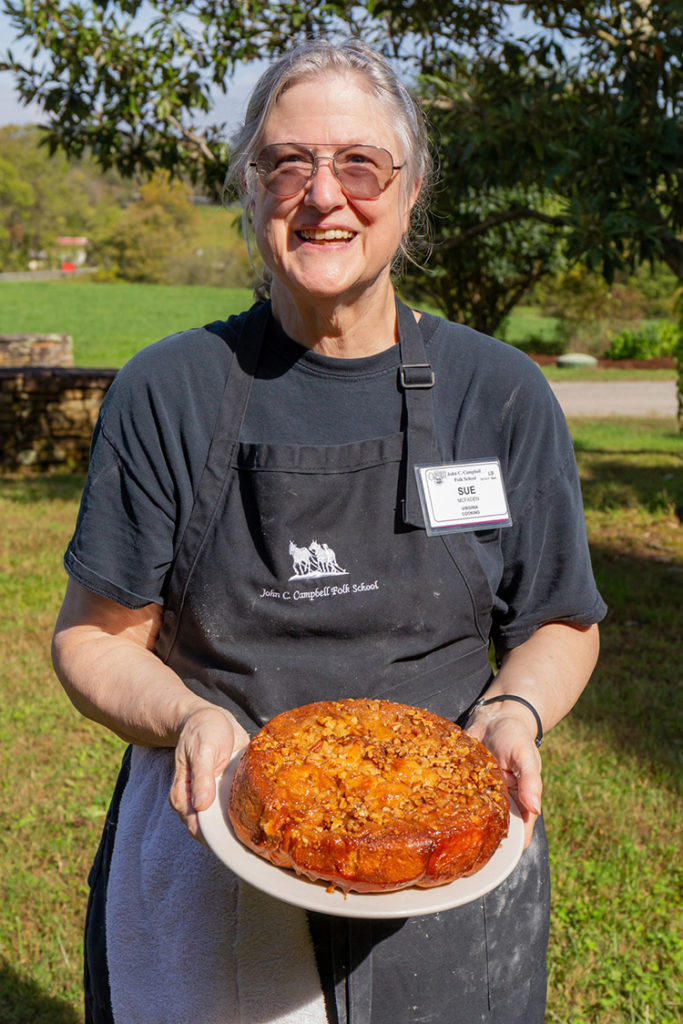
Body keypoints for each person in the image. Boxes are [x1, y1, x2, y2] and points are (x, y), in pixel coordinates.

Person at [52, 37, 606, 1024]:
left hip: (451, 863)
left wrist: (512, 713)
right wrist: (188, 718)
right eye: (286, 162)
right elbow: (93, 636)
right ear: (249, 184)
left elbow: (558, 622)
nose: (322, 195)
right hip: (211, 856)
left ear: (410, 185)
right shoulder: (168, 392)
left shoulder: (501, 394)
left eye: (359, 162)